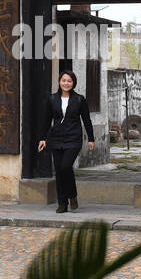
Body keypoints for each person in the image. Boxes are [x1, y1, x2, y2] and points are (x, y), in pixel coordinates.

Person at [36, 70, 95, 213]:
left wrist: (91, 138)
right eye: (64, 80)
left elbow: (86, 120)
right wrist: (43, 138)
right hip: (55, 139)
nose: (66, 83)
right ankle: (62, 203)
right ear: (59, 82)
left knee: (65, 167)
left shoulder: (79, 99)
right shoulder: (52, 99)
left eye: (69, 81)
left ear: (73, 83)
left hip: (73, 139)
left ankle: (72, 194)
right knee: (59, 171)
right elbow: (46, 120)